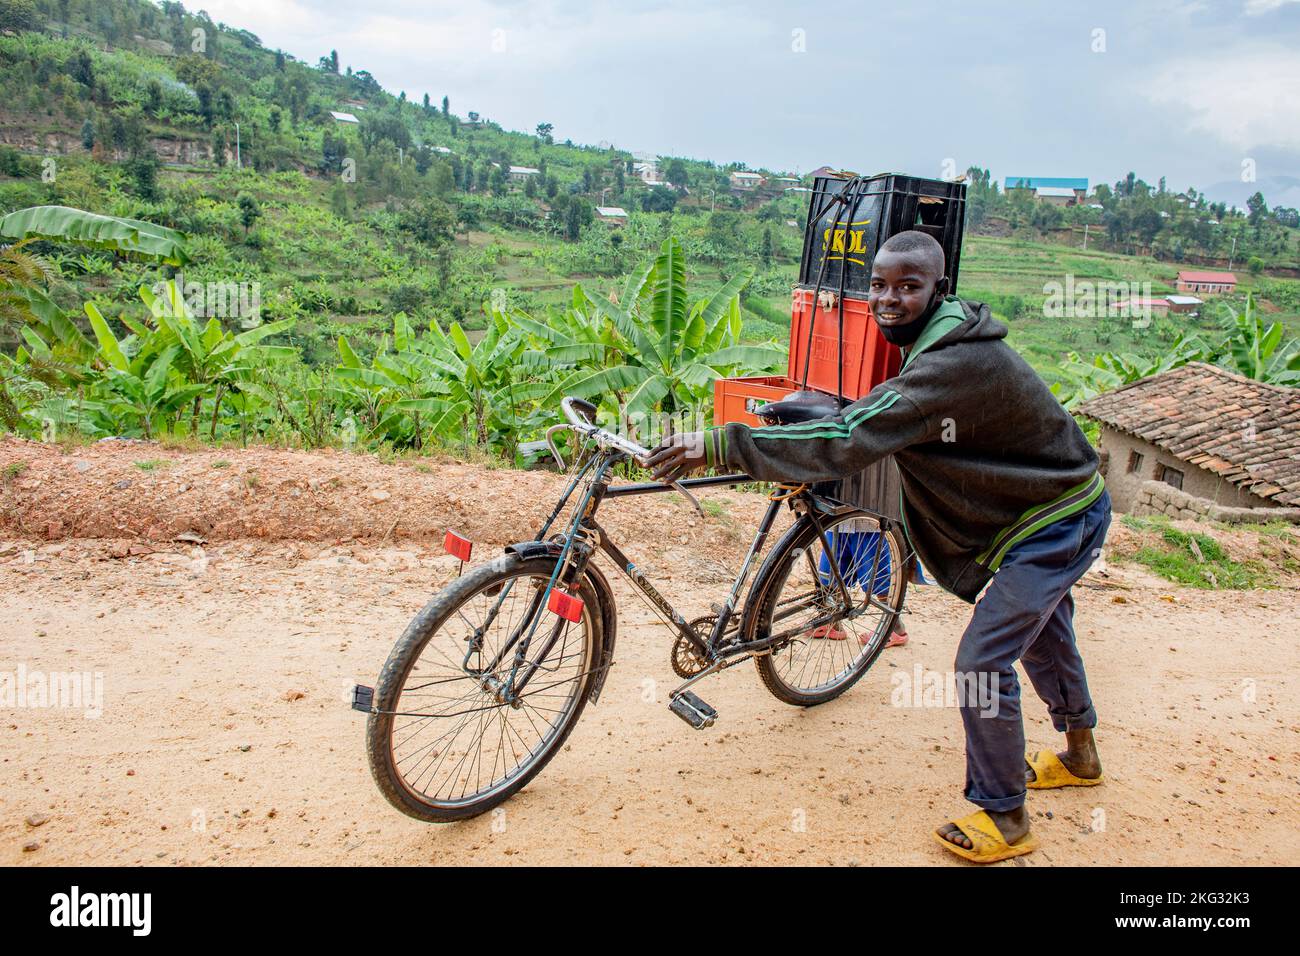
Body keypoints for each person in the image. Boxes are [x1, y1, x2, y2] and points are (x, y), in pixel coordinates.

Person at [647, 230, 1111, 863]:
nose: (889, 299)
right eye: (879, 286)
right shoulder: (944, 339)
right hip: (1031, 512)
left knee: (983, 661)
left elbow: (853, 436)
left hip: (1058, 520)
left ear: (937, 289)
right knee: (1048, 628)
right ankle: (1081, 756)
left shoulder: (954, 361)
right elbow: (874, 415)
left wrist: (720, 444)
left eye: (908, 287)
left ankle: (1006, 820)